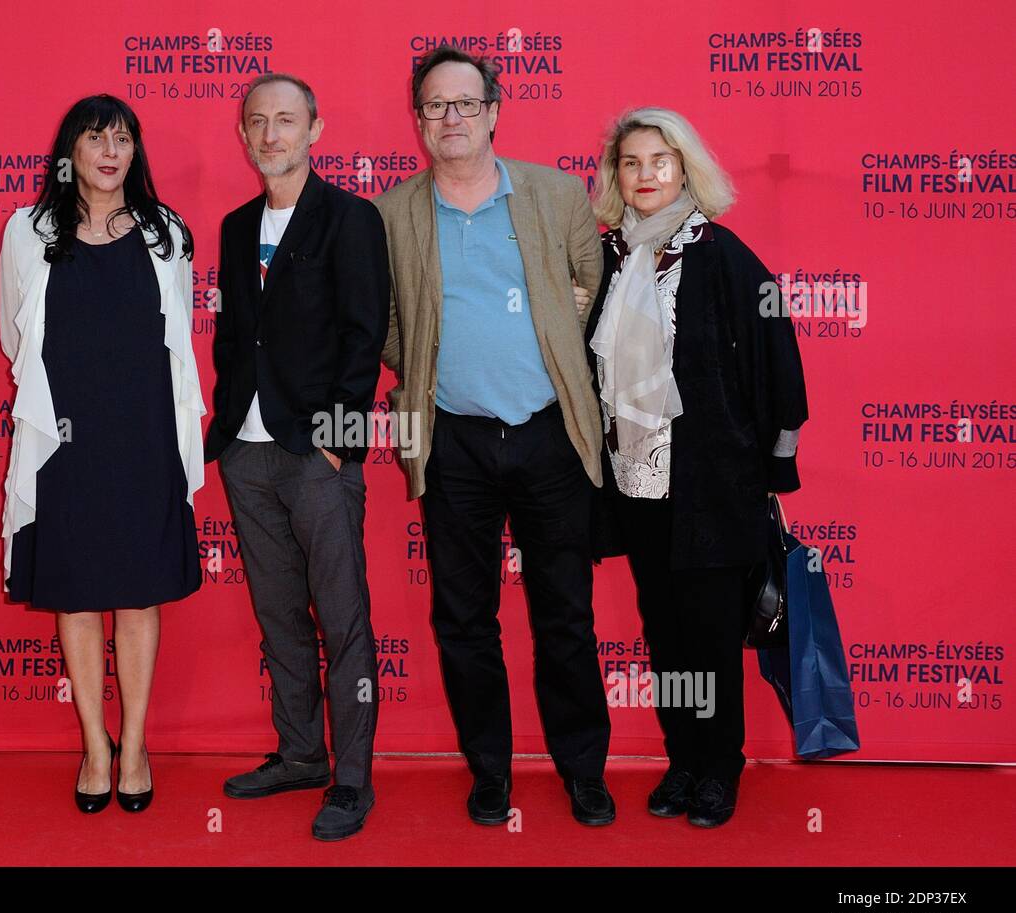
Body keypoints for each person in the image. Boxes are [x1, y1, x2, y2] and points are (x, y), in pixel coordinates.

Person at [373, 46, 613, 827]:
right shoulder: (392, 213)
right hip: (454, 444)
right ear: (418, 121)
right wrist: (437, 367)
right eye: (436, 106)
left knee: (566, 616)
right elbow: (386, 323)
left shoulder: (553, 193)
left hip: (551, 437)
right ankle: (490, 772)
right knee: (465, 619)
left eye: (465, 104)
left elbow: (588, 284)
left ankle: (584, 770)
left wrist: (541, 341)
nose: (451, 118)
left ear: (494, 113)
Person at [583, 107, 808, 827]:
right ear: (616, 176)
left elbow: (779, 362)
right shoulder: (614, 256)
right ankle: (683, 762)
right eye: (631, 163)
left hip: (711, 486)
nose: (646, 175)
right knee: (667, 633)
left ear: (685, 168)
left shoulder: (720, 254)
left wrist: (772, 467)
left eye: (660, 161)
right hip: (638, 482)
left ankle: (720, 771)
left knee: (710, 636)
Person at [0, 93, 206, 815]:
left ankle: (137, 744)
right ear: (71, 153)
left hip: (145, 434)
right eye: (96, 138)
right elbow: (14, 339)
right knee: (79, 594)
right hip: (66, 440)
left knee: (139, 593)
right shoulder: (27, 231)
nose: (111, 151)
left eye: (123, 138)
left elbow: (177, 343)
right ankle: (95, 746)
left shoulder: (166, 232)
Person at [205, 73, 390, 841]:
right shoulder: (234, 223)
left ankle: (352, 778)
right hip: (245, 454)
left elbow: (364, 332)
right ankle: (300, 754)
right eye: (258, 122)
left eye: (286, 120)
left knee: (342, 620)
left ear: (316, 127)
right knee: (279, 615)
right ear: (244, 134)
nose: (271, 134)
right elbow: (235, 337)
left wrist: (340, 439)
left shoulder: (350, 220)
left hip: (318, 455)